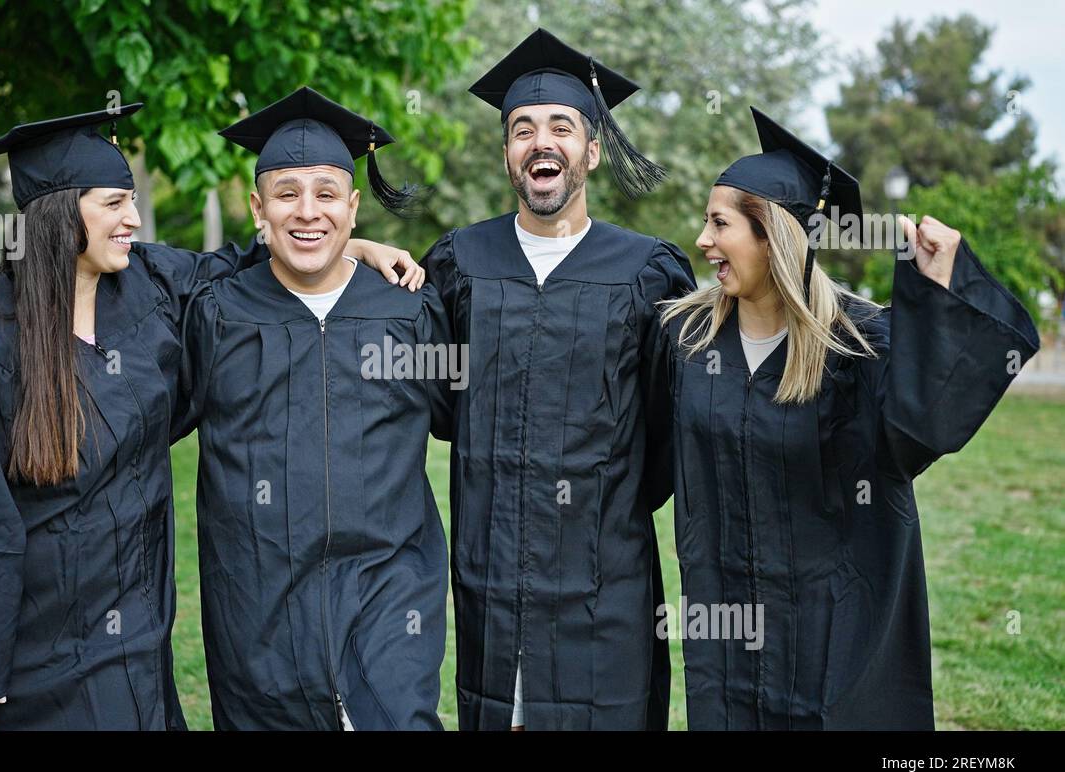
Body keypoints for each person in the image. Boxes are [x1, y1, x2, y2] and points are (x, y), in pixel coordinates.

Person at [0, 103, 425, 730]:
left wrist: (353, 245)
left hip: (138, 628)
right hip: (38, 643)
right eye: (115, 204)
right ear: (62, 214)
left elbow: (243, 263)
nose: (133, 220)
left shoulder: (148, 285)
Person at [660, 107, 1041, 729]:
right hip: (727, 635)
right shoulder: (688, 341)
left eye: (719, 223)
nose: (702, 240)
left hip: (836, 635)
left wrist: (936, 294)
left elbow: (926, 428)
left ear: (773, 237)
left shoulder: (860, 347)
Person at [140, 87, 456, 730]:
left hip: (388, 592)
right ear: (258, 208)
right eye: (287, 194)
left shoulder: (409, 313)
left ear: (354, 206)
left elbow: (467, 421)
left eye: (326, 193)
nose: (307, 212)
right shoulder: (219, 315)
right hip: (257, 604)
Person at [419, 29, 695, 730]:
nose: (541, 143)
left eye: (562, 127)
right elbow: (443, 408)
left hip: (606, 581)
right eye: (522, 129)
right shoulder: (459, 262)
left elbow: (667, 429)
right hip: (491, 572)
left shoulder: (646, 272)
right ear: (506, 152)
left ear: (592, 151)